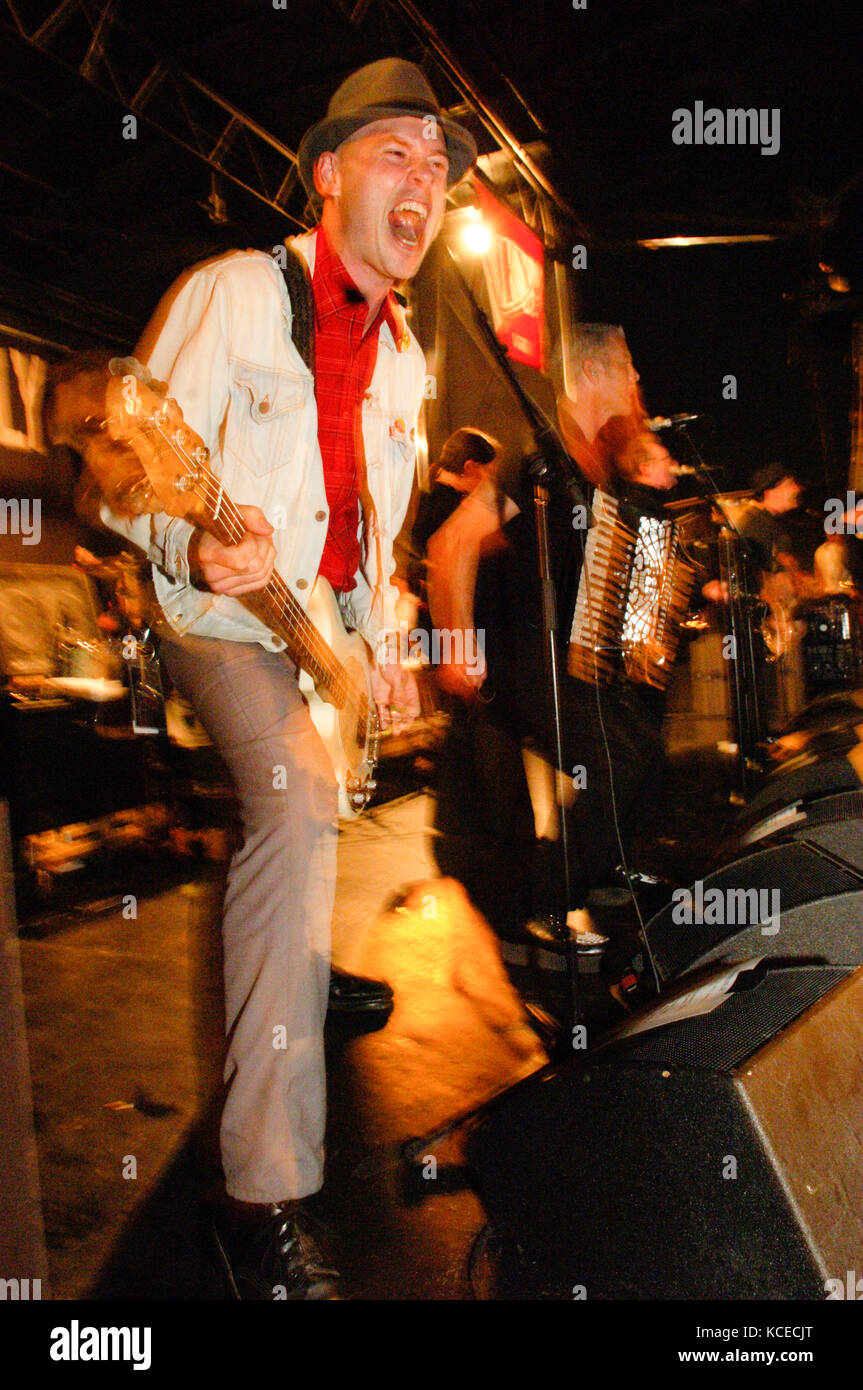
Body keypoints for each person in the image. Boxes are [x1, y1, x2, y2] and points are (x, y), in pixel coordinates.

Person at [97, 58, 476, 1299]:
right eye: (394, 157)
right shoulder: (231, 297)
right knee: (300, 798)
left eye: (435, 167)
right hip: (211, 613)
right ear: (327, 178)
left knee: (325, 795)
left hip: (312, 620)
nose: (421, 183)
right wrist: (188, 535)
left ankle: (307, 974)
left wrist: (389, 638)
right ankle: (257, 1195)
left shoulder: (412, 362)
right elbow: (123, 470)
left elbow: (366, 537)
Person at [428, 326, 670, 927]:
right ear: (591, 374)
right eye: (628, 368)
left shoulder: (600, 468)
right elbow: (451, 542)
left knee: (644, 749)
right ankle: (539, 904)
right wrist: (456, 645)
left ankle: (603, 878)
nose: (637, 381)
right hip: (530, 664)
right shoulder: (536, 454)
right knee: (619, 758)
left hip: (580, 664)